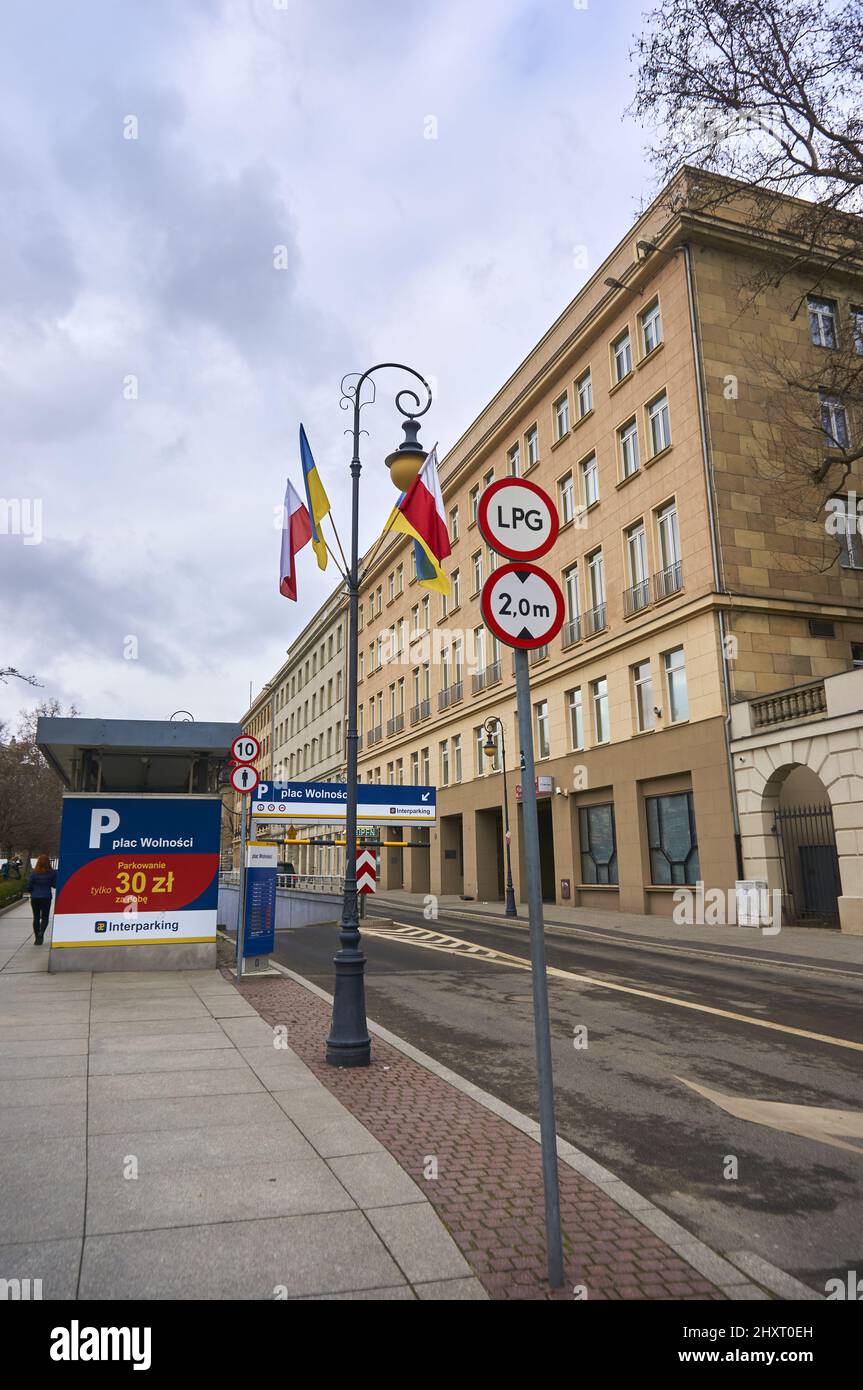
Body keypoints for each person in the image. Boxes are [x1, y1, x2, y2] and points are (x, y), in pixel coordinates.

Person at [26, 855, 56, 945]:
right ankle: (41, 933)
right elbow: (54, 885)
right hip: (46, 897)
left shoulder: (33, 873)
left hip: (35, 897)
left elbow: (29, 886)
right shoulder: (52, 873)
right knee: (45, 917)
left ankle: (37, 937)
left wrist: (32, 892)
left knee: (36, 917)